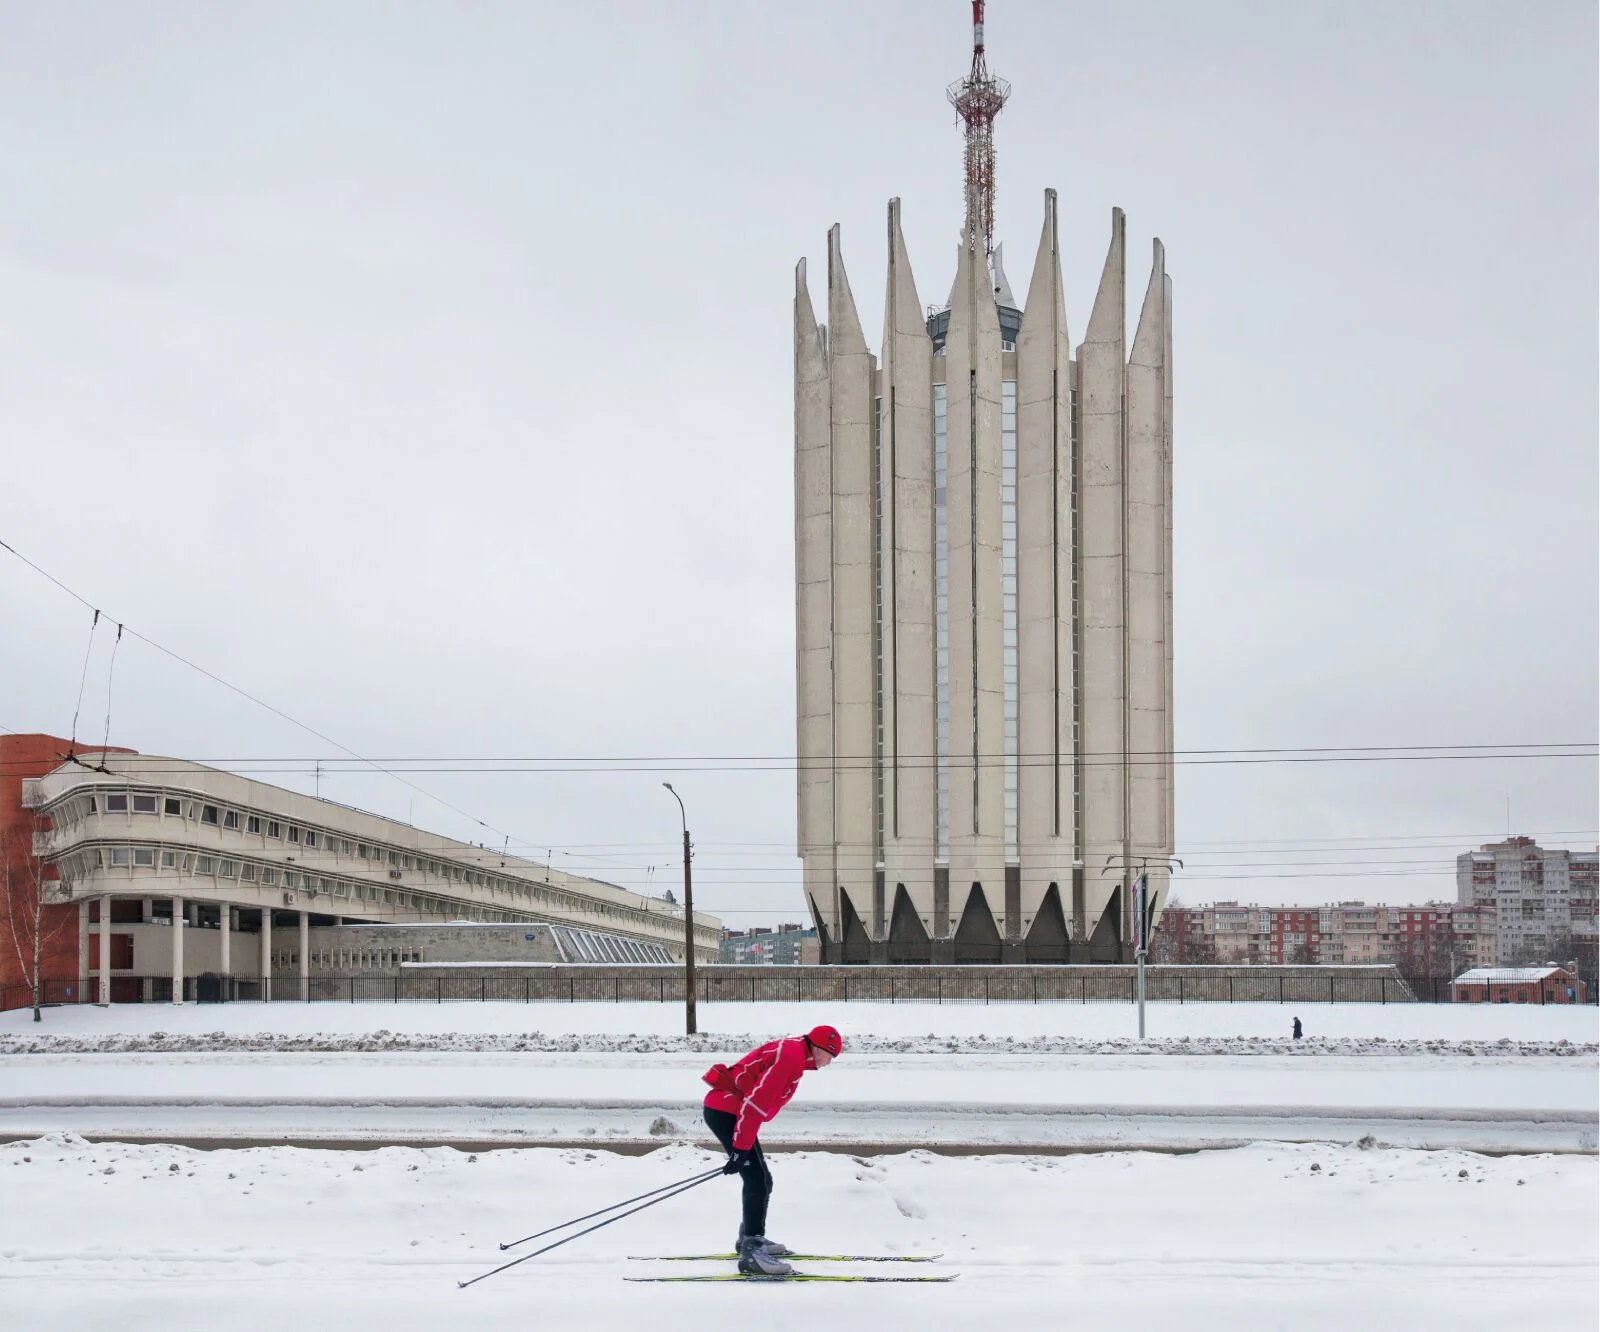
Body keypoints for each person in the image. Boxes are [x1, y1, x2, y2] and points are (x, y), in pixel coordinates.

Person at [702, 1024, 843, 1276]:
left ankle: (749, 1238)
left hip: (731, 1111)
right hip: (727, 1111)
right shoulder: (790, 1058)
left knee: (762, 1179)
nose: (828, 1063)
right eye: (830, 1057)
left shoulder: (795, 1053)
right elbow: (755, 1104)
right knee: (756, 1180)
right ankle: (752, 1253)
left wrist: (741, 1147)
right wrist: (739, 1149)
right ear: (819, 1048)